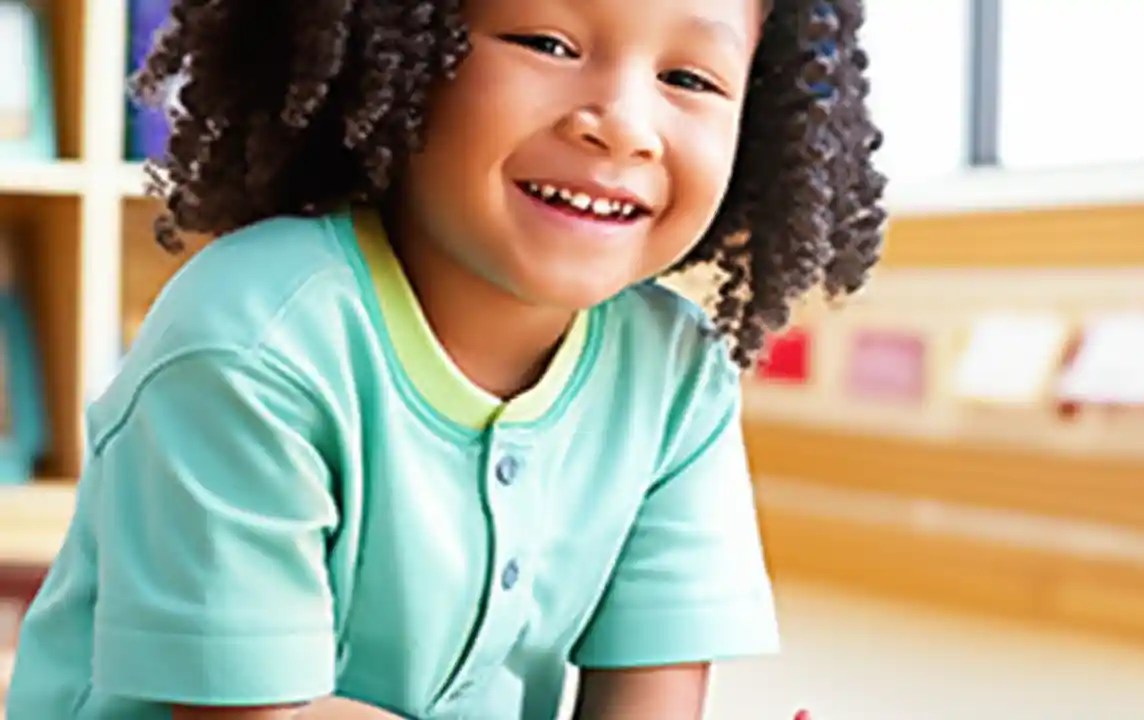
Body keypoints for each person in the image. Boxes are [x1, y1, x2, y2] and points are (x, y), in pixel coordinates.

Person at [7, 0, 885, 717]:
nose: (623, 127)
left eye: (689, 78)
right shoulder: (253, 340)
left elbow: (650, 694)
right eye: (547, 42)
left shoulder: (675, 372)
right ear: (405, 46)